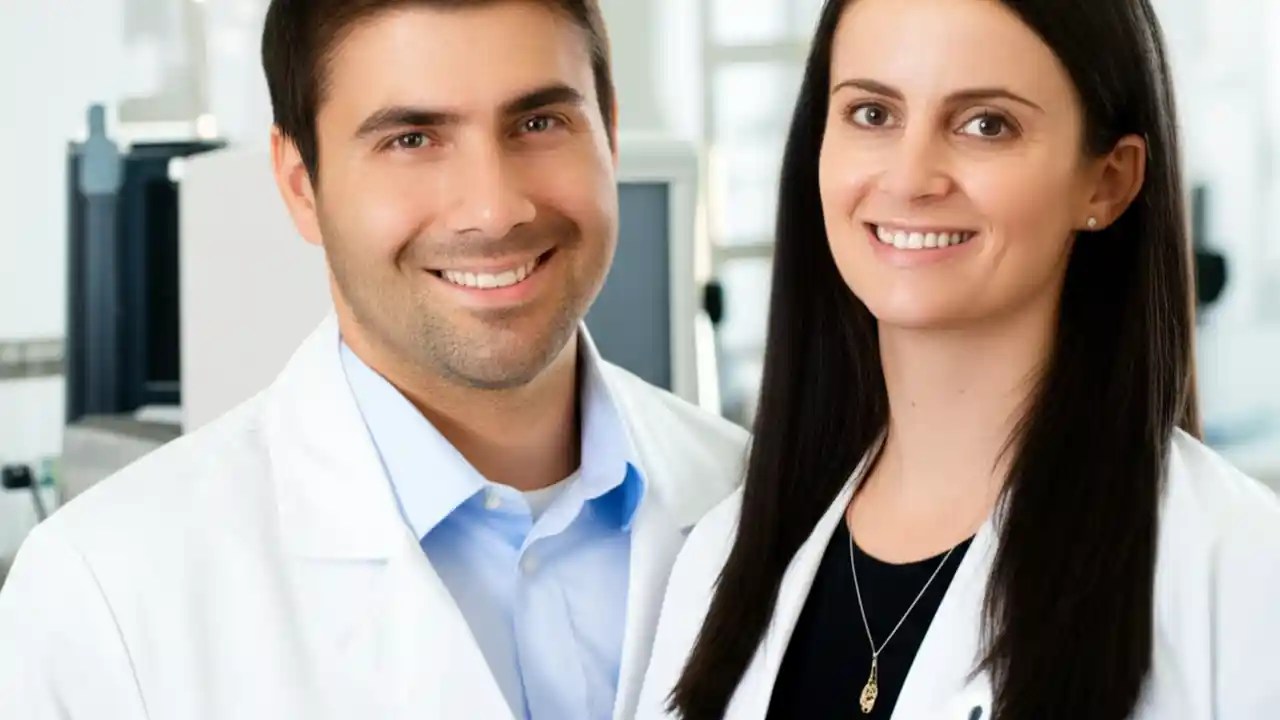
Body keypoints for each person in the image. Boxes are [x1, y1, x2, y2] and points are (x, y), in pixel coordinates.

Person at [0, 1, 747, 718]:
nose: (493, 208)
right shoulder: (102, 596)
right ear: (301, 185)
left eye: (539, 121)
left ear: (609, 138)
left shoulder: (763, 500)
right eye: (412, 139)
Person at [636, 0, 1280, 718]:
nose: (911, 179)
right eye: (872, 114)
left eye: (986, 124)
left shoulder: (1244, 573)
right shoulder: (718, 559)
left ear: (1108, 182)